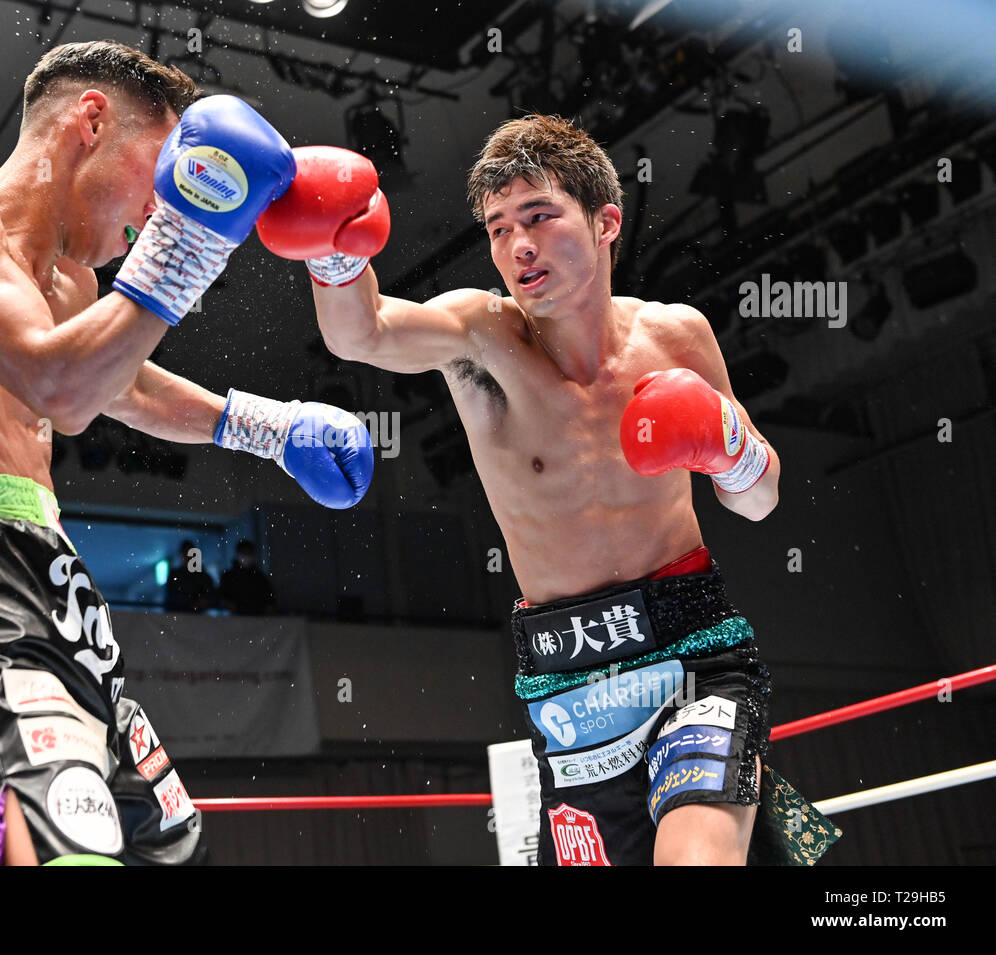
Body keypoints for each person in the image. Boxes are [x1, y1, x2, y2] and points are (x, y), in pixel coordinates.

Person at [257, 119, 840, 865]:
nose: (517, 246)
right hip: (570, 687)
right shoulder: (483, 337)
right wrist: (332, 249)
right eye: (499, 228)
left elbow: (758, 500)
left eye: (538, 216)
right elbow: (361, 334)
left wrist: (727, 444)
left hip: (695, 650)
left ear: (606, 222)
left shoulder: (678, 337)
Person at [0, 40, 373, 866]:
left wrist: (271, 428)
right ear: (91, 121)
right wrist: (188, 239)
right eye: (165, 166)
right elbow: (58, 387)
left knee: (169, 850)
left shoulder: (74, 288)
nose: (164, 199)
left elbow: (120, 384)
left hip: (62, 593)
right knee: (72, 855)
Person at [219, 539, 275, 615]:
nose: (246, 556)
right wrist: (228, 604)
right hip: (236, 616)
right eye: (244, 553)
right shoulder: (228, 576)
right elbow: (222, 596)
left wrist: (269, 606)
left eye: (248, 553)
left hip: (258, 615)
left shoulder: (259, 576)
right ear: (238, 554)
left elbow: (269, 596)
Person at [163, 539, 217, 613]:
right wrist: (193, 602)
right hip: (182, 614)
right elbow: (172, 597)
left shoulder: (203, 576)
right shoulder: (175, 575)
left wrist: (203, 601)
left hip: (195, 615)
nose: (189, 557)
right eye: (186, 553)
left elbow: (212, 596)